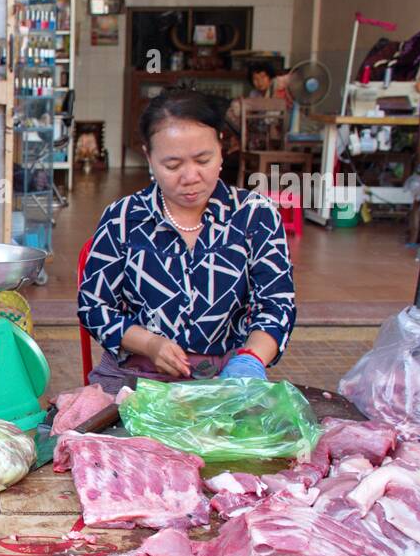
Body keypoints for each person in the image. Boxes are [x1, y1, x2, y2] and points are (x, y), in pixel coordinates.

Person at [78, 88, 296, 393]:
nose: (191, 176)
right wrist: (150, 344)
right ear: (149, 157)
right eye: (173, 165)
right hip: (134, 380)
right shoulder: (124, 218)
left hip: (225, 380)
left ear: (221, 147)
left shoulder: (254, 215)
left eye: (203, 160)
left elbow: (276, 305)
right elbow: (93, 306)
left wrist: (250, 360)